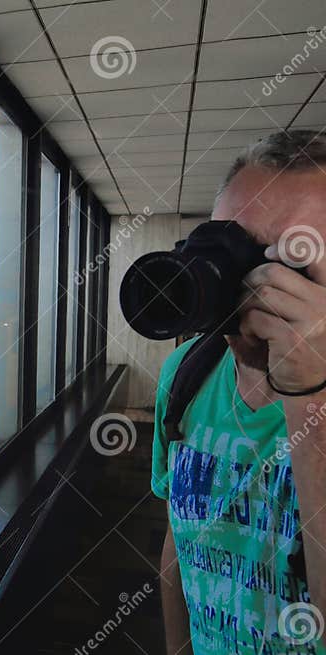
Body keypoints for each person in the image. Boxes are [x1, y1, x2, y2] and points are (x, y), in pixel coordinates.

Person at [153, 130, 326, 654]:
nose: (254, 286)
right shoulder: (188, 370)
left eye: (291, 262)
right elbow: (179, 542)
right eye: (232, 251)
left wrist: (307, 393)